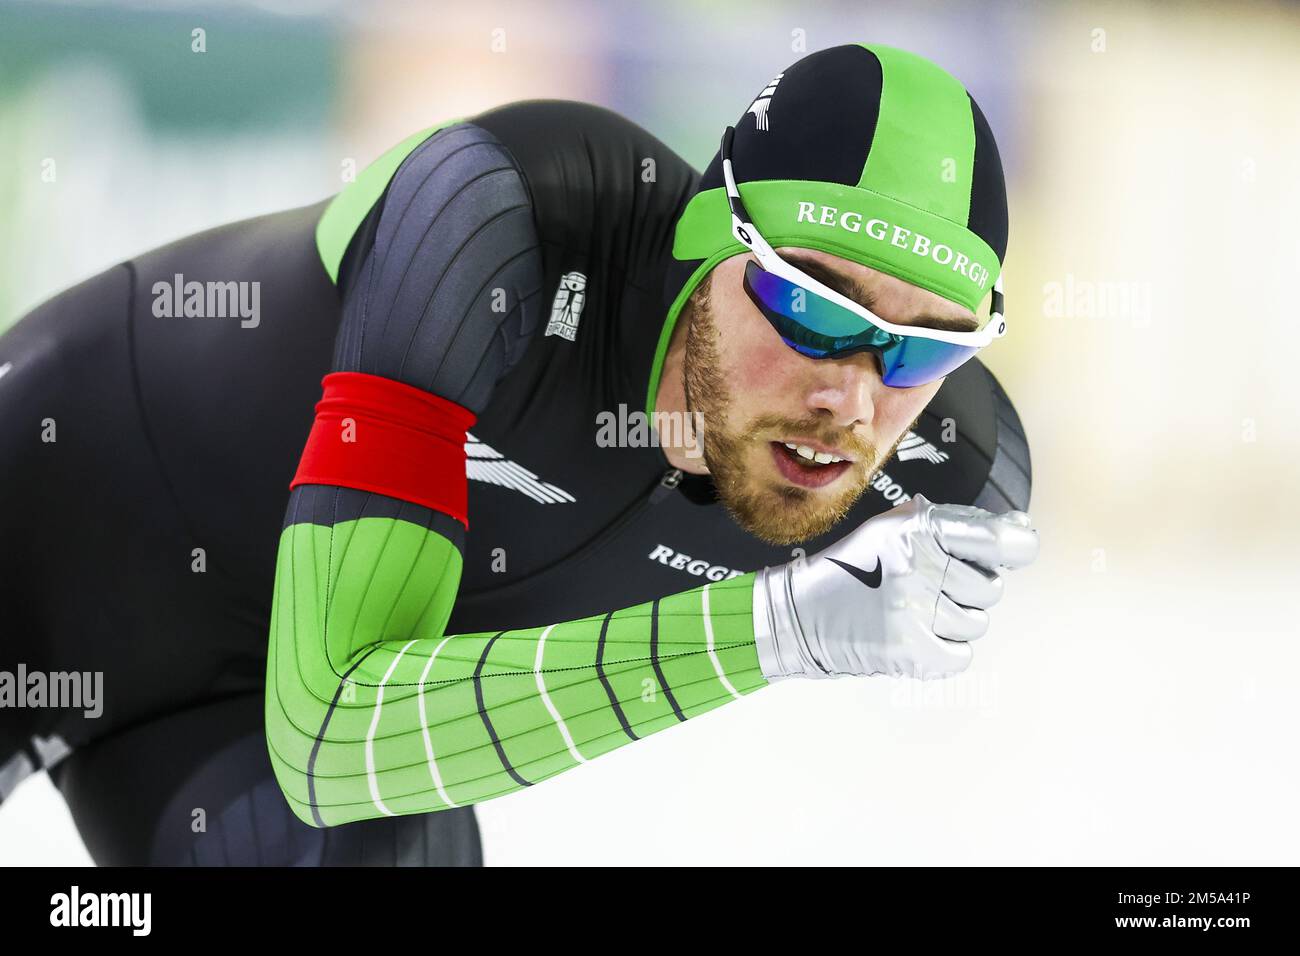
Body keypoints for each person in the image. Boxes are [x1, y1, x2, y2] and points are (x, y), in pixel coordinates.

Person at [0, 43, 1036, 865]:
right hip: (39, 532)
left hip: (229, 733)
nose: (850, 395)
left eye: (926, 346)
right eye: (810, 307)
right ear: (709, 238)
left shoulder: (957, 470)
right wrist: (776, 630)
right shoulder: (506, 222)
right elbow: (327, 733)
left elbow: (326, 763)